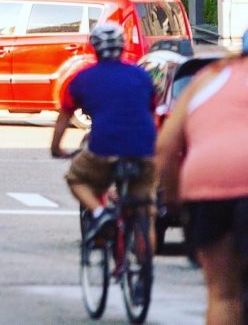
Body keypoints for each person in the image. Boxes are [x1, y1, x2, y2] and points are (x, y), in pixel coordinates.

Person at [156, 30, 248, 325]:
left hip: (209, 183)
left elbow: (166, 148)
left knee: (223, 294)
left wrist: (173, 202)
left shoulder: (209, 79)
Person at [50, 23, 157, 242]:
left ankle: (100, 213)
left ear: (95, 49)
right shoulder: (141, 75)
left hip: (104, 148)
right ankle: (144, 261)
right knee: (144, 206)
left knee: (77, 178)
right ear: (122, 47)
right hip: (143, 149)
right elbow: (151, 111)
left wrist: (56, 148)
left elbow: (64, 116)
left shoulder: (83, 78)